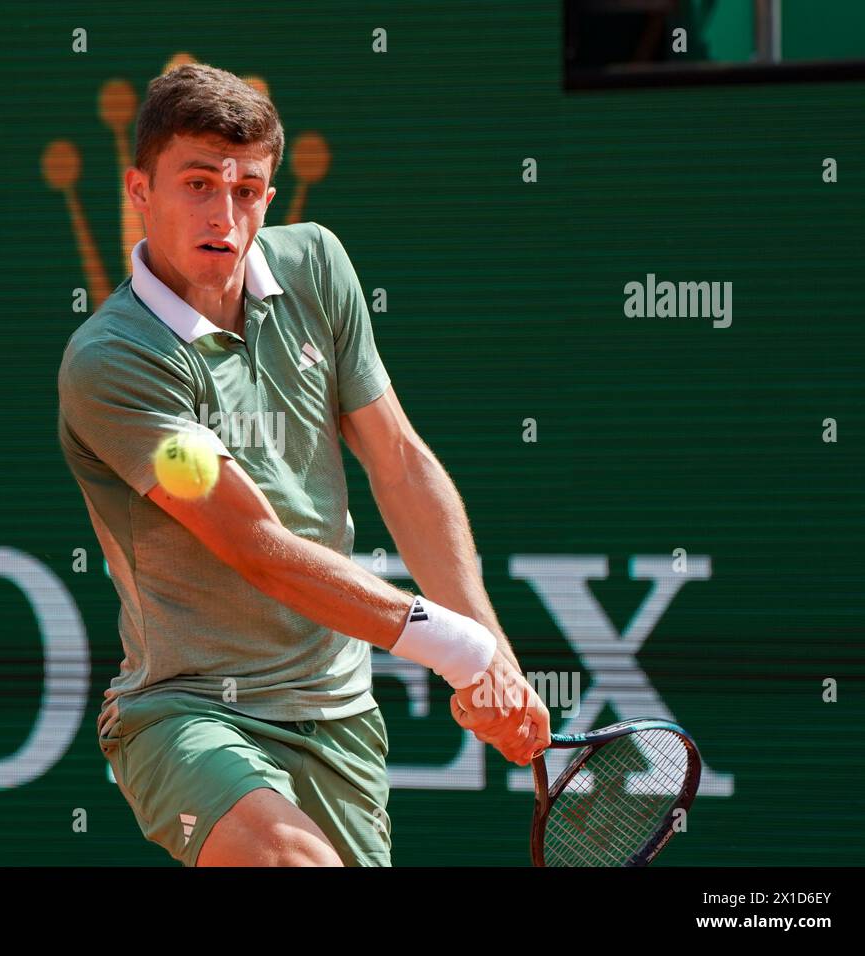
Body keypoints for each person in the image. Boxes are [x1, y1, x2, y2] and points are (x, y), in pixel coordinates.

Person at [57, 62, 550, 867]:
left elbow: (398, 462)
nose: (225, 214)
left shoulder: (316, 265)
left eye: (247, 189)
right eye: (197, 183)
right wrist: (455, 649)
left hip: (341, 714)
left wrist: (493, 657)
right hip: (186, 714)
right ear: (138, 190)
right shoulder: (112, 362)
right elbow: (256, 545)